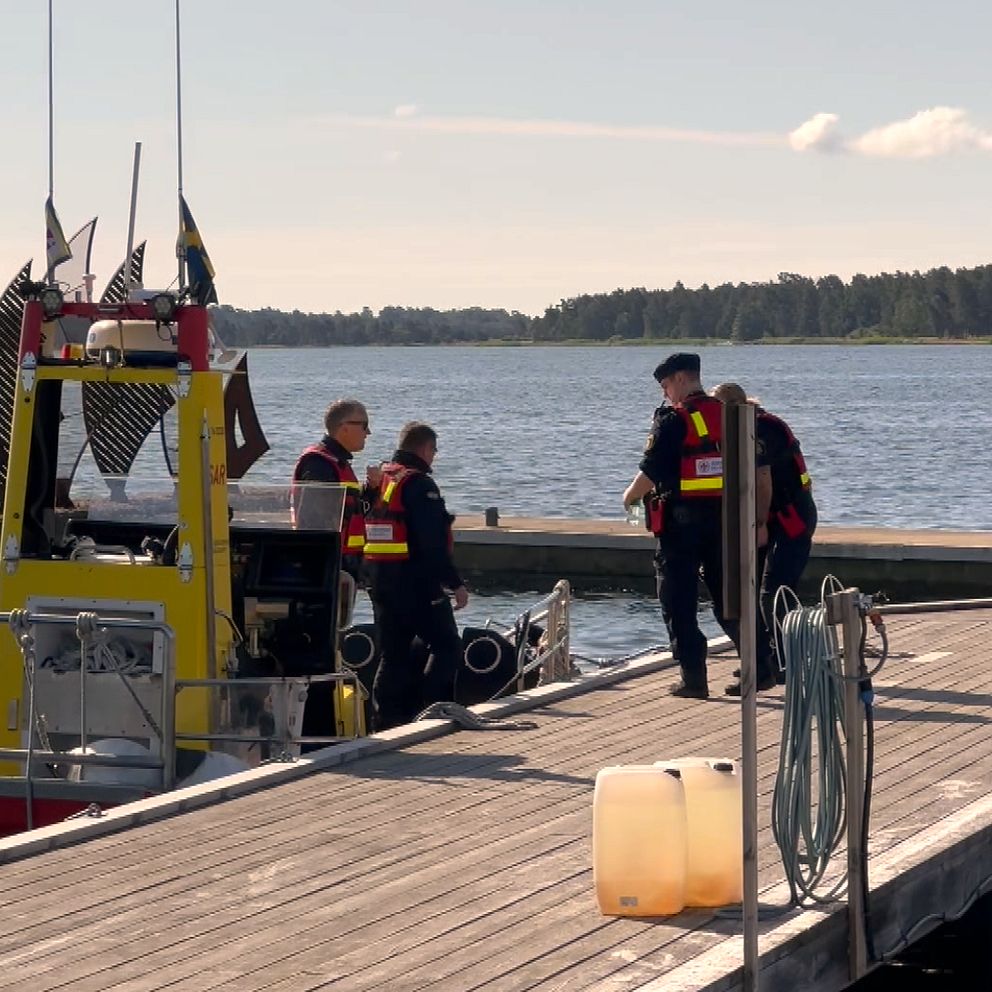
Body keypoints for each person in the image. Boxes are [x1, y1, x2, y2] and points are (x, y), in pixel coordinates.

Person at [623, 353, 765, 699]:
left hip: (680, 528)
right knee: (729, 597)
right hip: (725, 524)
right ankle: (761, 666)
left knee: (678, 601)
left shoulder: (674, 420)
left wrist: (628, 498)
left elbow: (651, 471)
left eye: (666, 385)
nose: (665, 394)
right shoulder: (732, 415)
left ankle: (694, 679)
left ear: (683, 379)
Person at [364, 421, 468, 730]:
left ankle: (385, 721)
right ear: (424, 448)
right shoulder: (420, 484)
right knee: (447, 645)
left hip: (381, 581)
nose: (434, 457)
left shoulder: (381, 480)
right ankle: (434, 713)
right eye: (434, 450)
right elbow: (432, 543)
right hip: (417, 584)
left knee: (393, 653)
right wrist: (455, 583)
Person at [713, 383, 817, 685]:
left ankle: (788, 661)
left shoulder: (758, 429)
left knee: (775, 591)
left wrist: (758, 525)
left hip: (788, 519)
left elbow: (762, 481)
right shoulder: (750, 424)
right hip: (775, 517)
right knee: (750, 587)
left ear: (729, 408)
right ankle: (766, 659)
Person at [291, 398, 377, 582]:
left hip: (343, 566)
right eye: (364, 425)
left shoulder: (338, 463)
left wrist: (371, 490)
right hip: (325, 567)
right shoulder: (319, 464)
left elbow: (354, 511)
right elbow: (316, 522)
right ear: (344, 427)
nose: (368, 432)